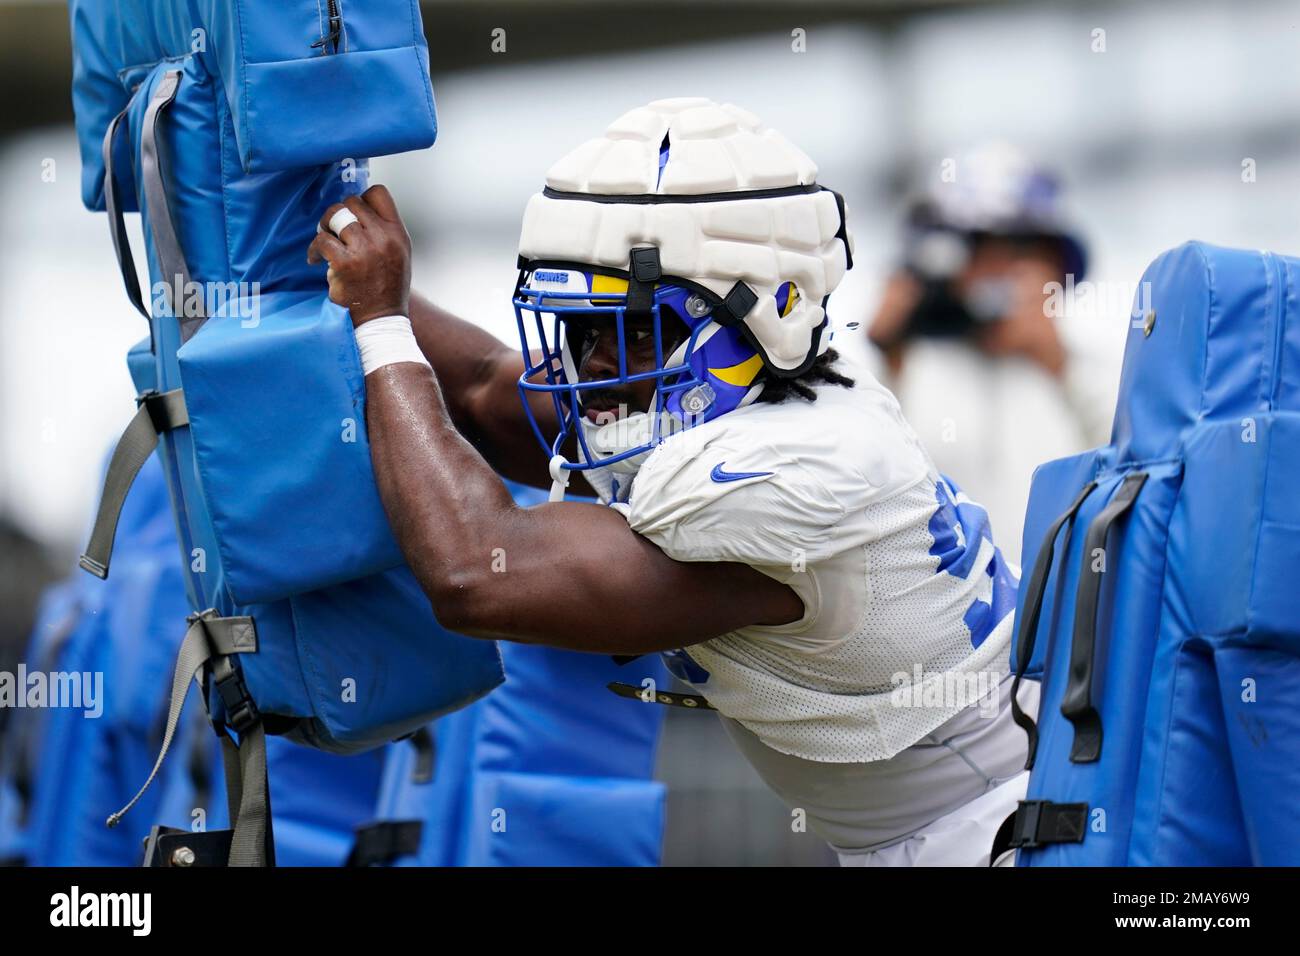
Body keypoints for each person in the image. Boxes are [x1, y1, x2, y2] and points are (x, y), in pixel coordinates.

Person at [307, 99, 1036, 866]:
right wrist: (335, 256)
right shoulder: (759, 391)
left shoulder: (786, 478)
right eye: (585, 327)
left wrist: (380, 323)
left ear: (765, 313)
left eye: (634, 326)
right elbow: (489, 391)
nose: (596, 362)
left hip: (1002, 835)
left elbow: (473, 571)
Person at [868, 142, 1116, 562]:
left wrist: (1058, 365)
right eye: (977, 244)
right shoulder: (908, 368)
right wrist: (886, 358)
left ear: (1054, 263)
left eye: (1020, 248)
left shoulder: (1093, 372)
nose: (997, 266)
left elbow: (1138, 473)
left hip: (1069, 615)